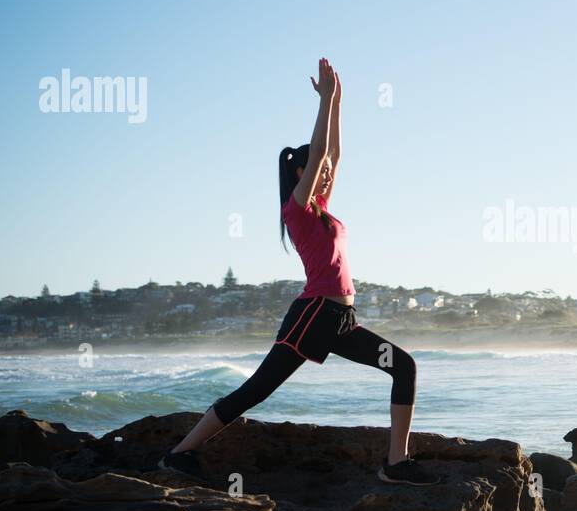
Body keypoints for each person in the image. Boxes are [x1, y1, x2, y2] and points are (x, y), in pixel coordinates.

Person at [158, 58, 440, 486]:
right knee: (256, 389)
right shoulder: (298, 210)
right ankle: (180, 454)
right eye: (317, 171)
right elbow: (323, 153)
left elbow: (335, 154)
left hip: (342, 320)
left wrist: (338, 99)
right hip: (312, 317)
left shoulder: (323, 211)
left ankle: (396, 464)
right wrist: (324, 101)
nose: (327, 175)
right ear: (299, 173)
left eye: (325, 173)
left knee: (404, 366)